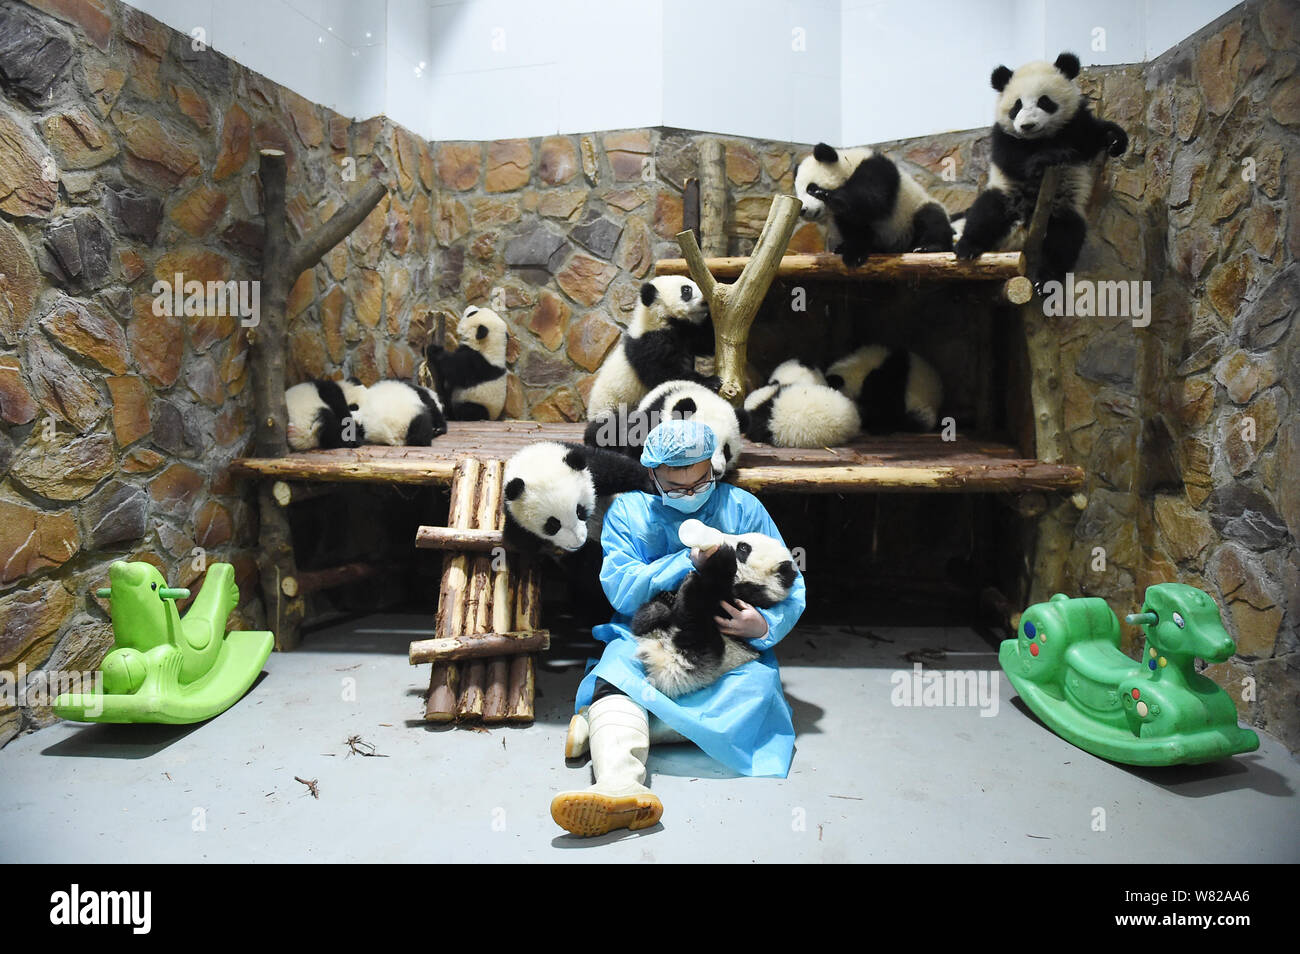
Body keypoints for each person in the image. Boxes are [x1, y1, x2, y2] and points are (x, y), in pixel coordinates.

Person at [550, 418, 806, 836]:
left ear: (714, 467)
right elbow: (621, 588)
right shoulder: (628, 512)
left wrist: (762, 624)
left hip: (730, 644)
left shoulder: (743, 507)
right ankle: (619, 785)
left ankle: (607, 726)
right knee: (617, 676)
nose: (689, 494)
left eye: (699, 483)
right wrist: (685, 562)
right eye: (675, 486)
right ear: (652, 474)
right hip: (648, 635)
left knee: (758, 694)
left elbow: (789, 582)